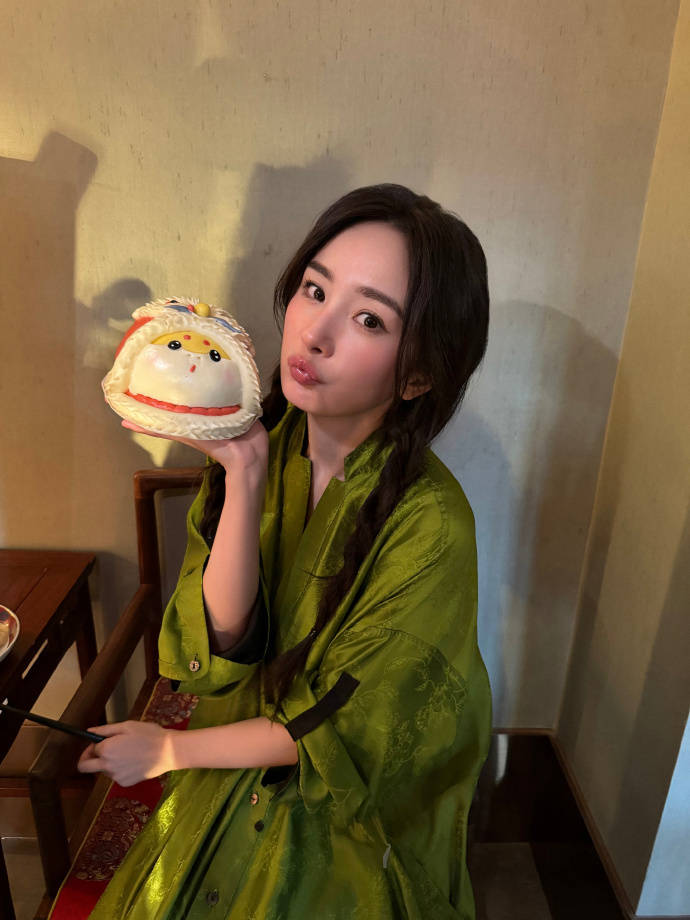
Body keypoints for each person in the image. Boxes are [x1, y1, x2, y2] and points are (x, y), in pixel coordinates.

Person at [77, 183, 492, 919]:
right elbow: (225, 648)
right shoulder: (265, 441)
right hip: (235, 741)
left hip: (342, 804)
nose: (315, 334)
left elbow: (340, 736)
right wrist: (244, 473)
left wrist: (170, 751)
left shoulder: (433, 527)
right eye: (314, 290)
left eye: (369, 318)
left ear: (419, 375)